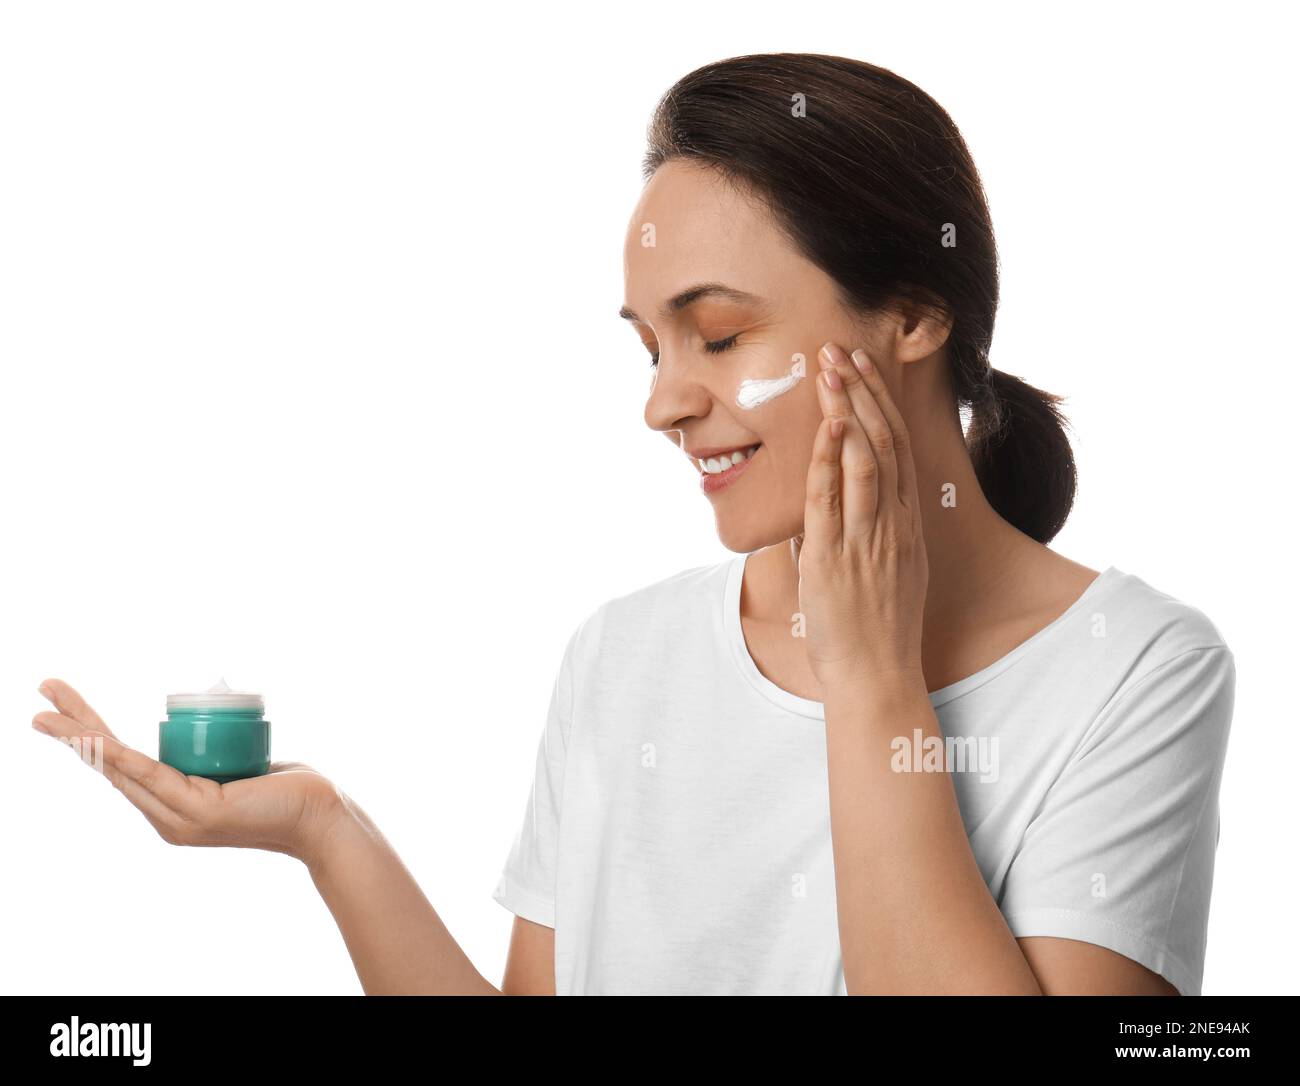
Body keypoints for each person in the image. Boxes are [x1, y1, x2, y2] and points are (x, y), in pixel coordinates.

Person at [31, 53, 1235, 996]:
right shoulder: (623, 659)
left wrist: (871, 674)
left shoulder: (1132, 673)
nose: (664, 401)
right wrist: (323, 832)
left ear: (913, 317)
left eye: (717, 336)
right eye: (650, 346)